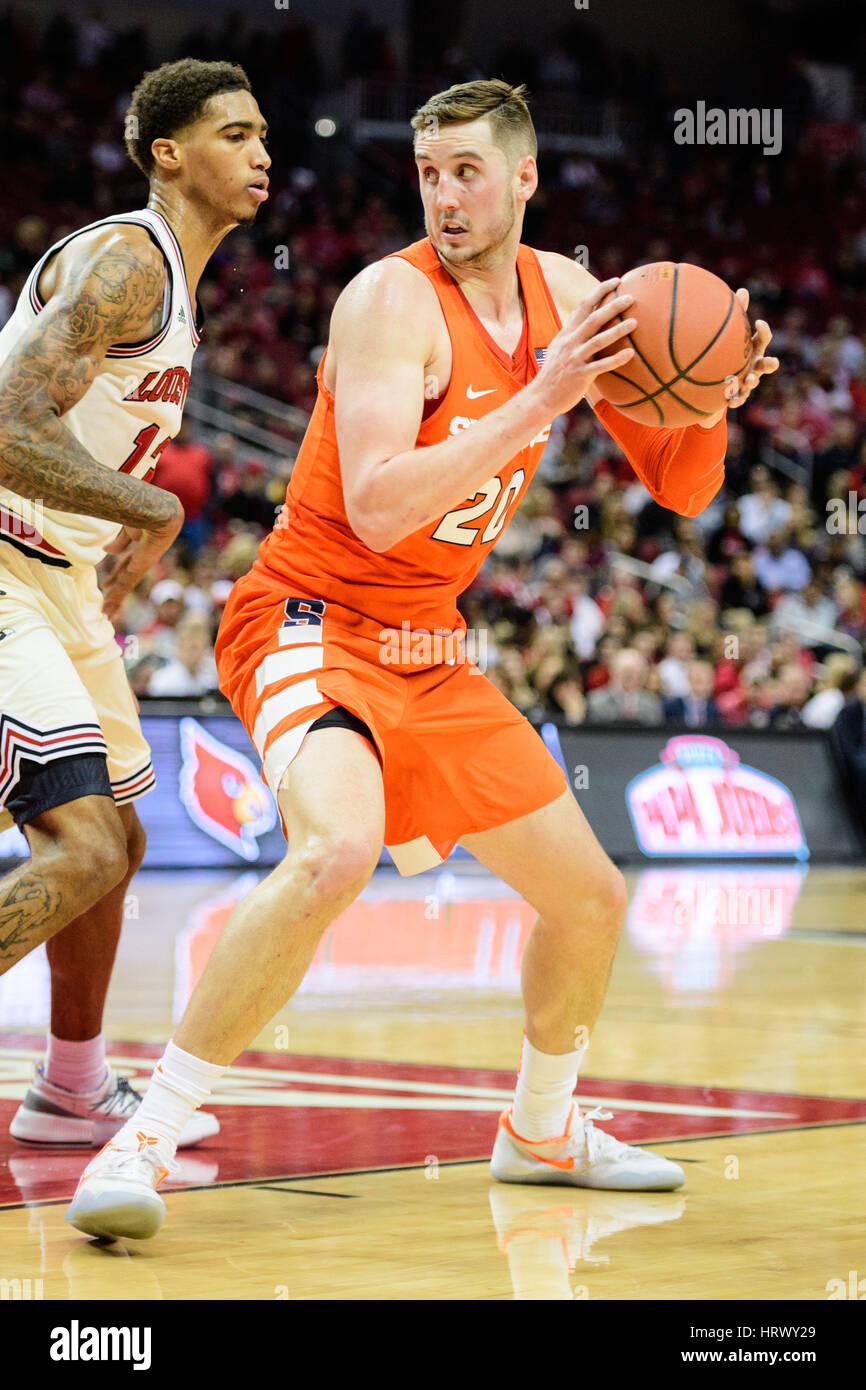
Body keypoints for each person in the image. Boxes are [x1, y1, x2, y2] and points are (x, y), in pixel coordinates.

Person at [66, 77, 777, 1240]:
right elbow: (386, 507)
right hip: (306, 617)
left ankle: (542, 1127)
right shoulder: (385, 302)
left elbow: (682, 488)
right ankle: (141, 1135)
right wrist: (542, 394)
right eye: (428, 173)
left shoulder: (575, 294)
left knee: (589, 898)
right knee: (336, 850)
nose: (443, 196)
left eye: (466, 173)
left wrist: (709, 402)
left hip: (428, 648)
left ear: (525, 178)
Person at [0, 58, 270, 1149]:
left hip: (63, 581)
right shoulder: (126, 259)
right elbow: (8, 425)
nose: (262, 154)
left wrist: (128, 514)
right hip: (4, 559)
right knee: (82, 851)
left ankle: (71, 1085)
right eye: (236, 133)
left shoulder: (175, 285)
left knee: (120, 834)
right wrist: (153, 504)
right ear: (168, 153)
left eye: (264, 135)